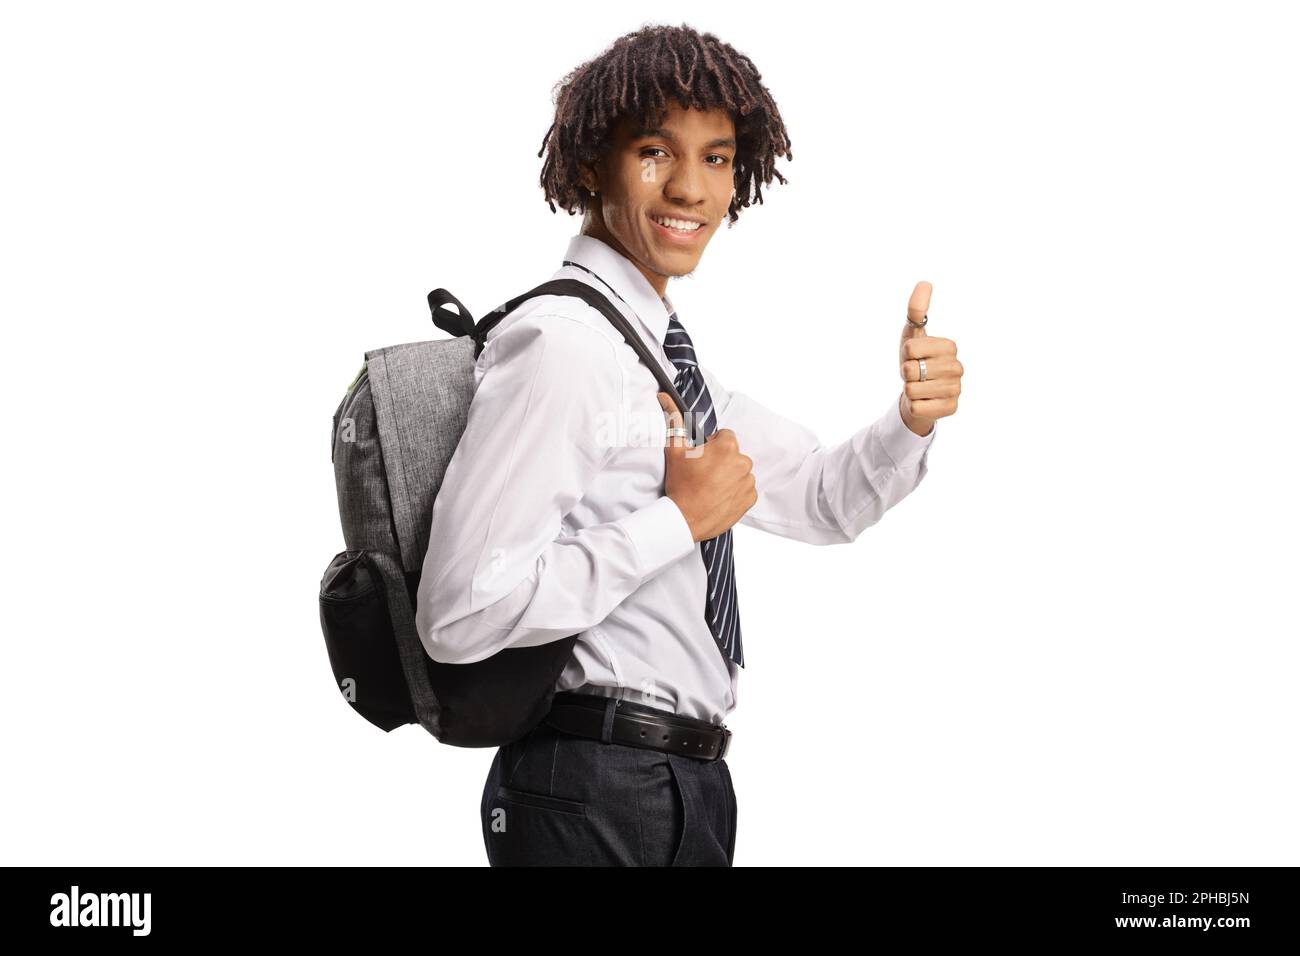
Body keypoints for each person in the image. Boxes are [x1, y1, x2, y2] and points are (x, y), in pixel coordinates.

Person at [415, 22, 963, 866]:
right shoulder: (567, 345)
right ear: (593, 162)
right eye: (654, 150)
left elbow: (821, 499)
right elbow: (459, 613)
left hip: (674, 783)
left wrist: (910, 420)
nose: (691, 188)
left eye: (717, 157)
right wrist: (680, 520)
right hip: (594, 780)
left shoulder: (651, 352)